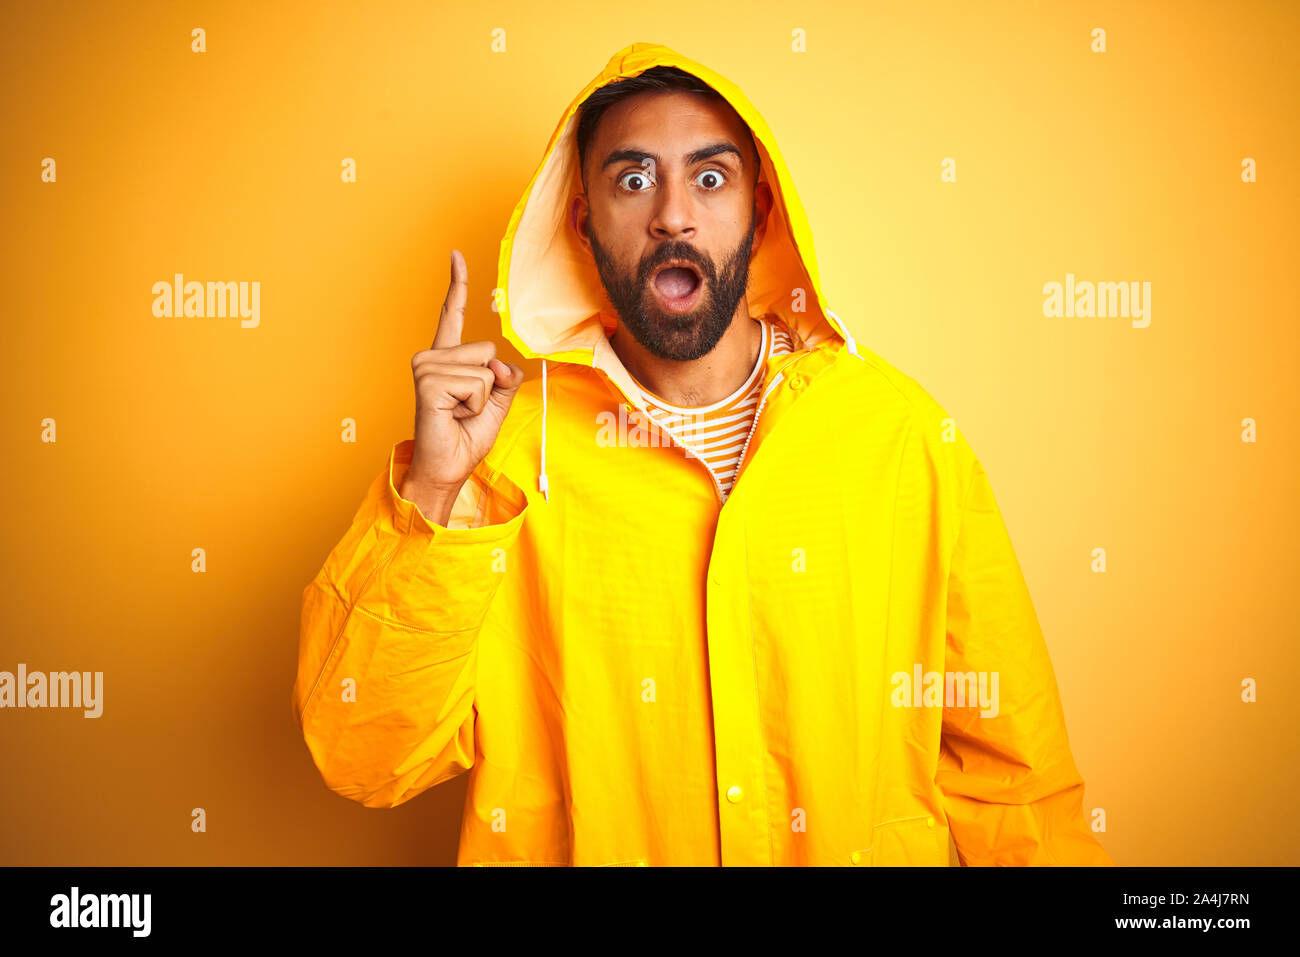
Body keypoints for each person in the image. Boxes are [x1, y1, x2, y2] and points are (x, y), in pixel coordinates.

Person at [291, 42, 1113, 867]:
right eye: (633, 180)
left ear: (760, 211)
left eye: (710, 177)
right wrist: (434, 488)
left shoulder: (899, 435)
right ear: (583, 222)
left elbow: (1016, 785)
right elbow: (364, 756)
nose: (673, 215)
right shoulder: (496, 457)